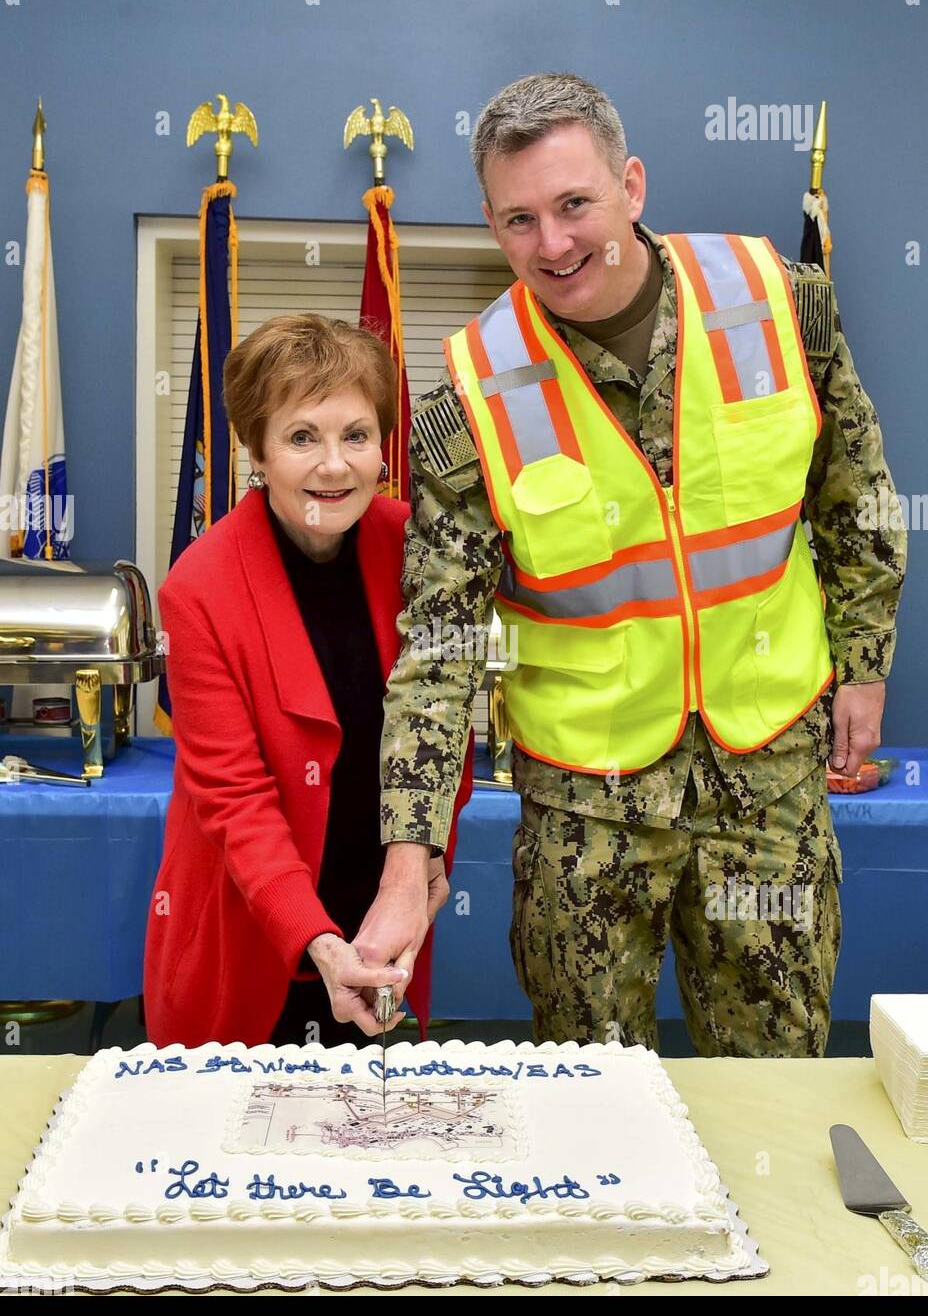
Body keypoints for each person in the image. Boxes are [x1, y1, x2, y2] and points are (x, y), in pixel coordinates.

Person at [355, 72, 906, 1057]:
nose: (554, 244)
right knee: (593, 1116)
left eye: (575, 204)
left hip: (766, 784)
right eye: (519, 219)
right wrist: (407, 856)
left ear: (633, 185)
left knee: (771, 1087)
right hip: (584, 813)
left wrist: (863, 657)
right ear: (490, 223)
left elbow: (854, 491)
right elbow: (437, 651)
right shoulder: (475, 393)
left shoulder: (777, 299)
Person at [144, 313, 473, 1047]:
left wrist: (429, 857)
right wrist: (319, 944)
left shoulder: (414, 547)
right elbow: (234, 801)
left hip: (379, 920)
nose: (334, 465)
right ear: (255, 449)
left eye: (356, 436)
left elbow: (445, 723)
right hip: (255, 933)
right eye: (302, 438)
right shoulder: (198, 588)